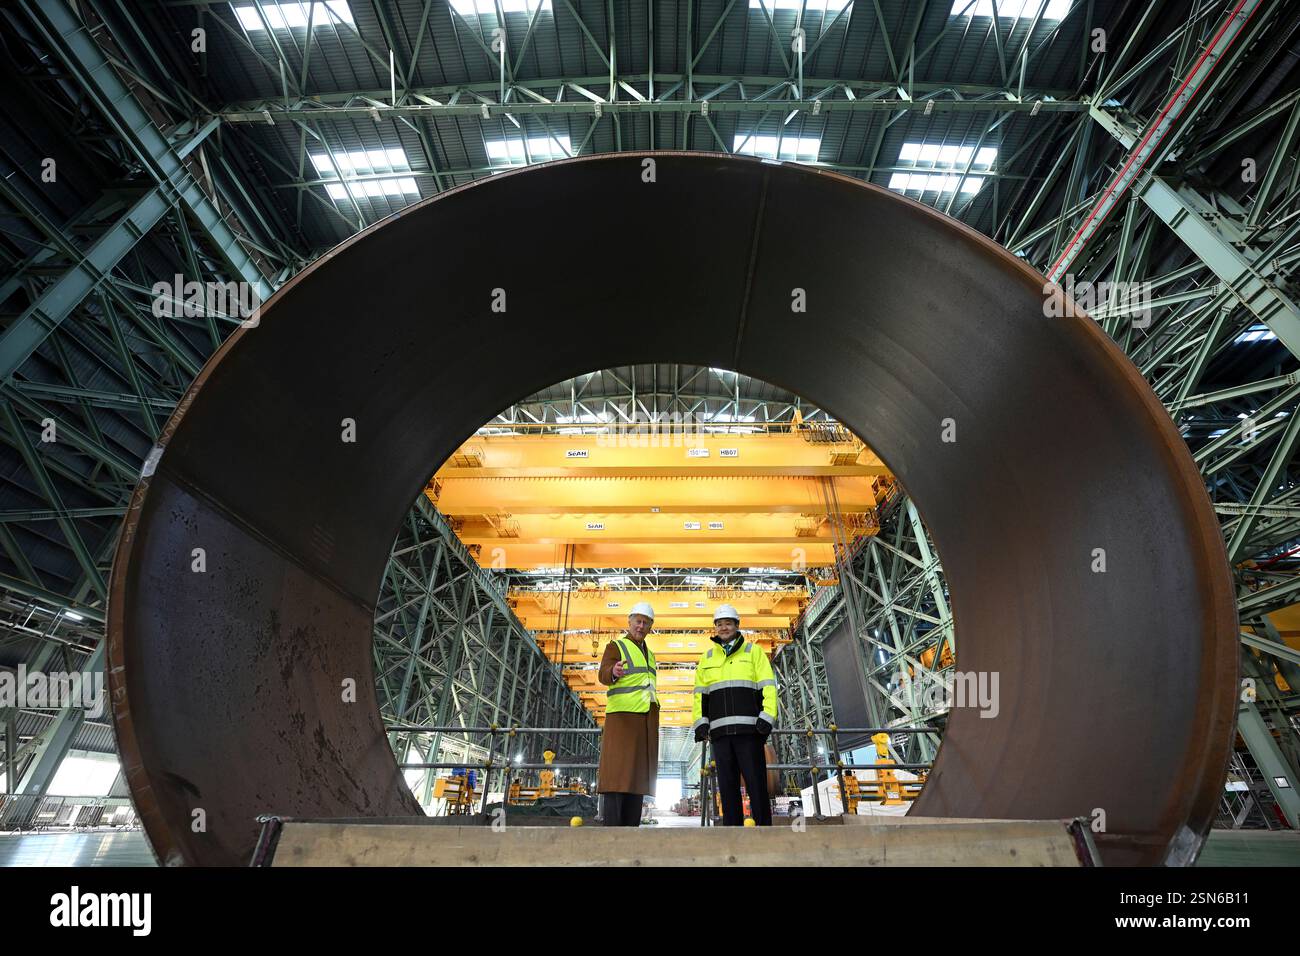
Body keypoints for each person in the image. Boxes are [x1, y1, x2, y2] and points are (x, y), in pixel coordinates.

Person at [692, 603, 777, 826]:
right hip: (720, 734)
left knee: (756, 783)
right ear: (715, 628)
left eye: (728, 623)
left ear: (737, 626)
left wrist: (767, 718)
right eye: (720, 624)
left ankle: (764, 832)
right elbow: (699, 694)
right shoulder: (707, 658)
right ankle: (732, 834)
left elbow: (768, 686)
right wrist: (701, 723)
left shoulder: (754, 652)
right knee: (727, 787)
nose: (724, 628)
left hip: (750, 731)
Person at [595, 602, 659, 826]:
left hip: (644, 722)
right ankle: (614, 830)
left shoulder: (650, 655)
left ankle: (632, 829)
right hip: (622, 720)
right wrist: (613, 671)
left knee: (637, 779)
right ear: (629, 622)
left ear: (650, 626)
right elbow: (603, 674)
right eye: (637, 621)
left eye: (645, 622)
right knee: (618, 777)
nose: (641, 626)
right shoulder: (616, 646)